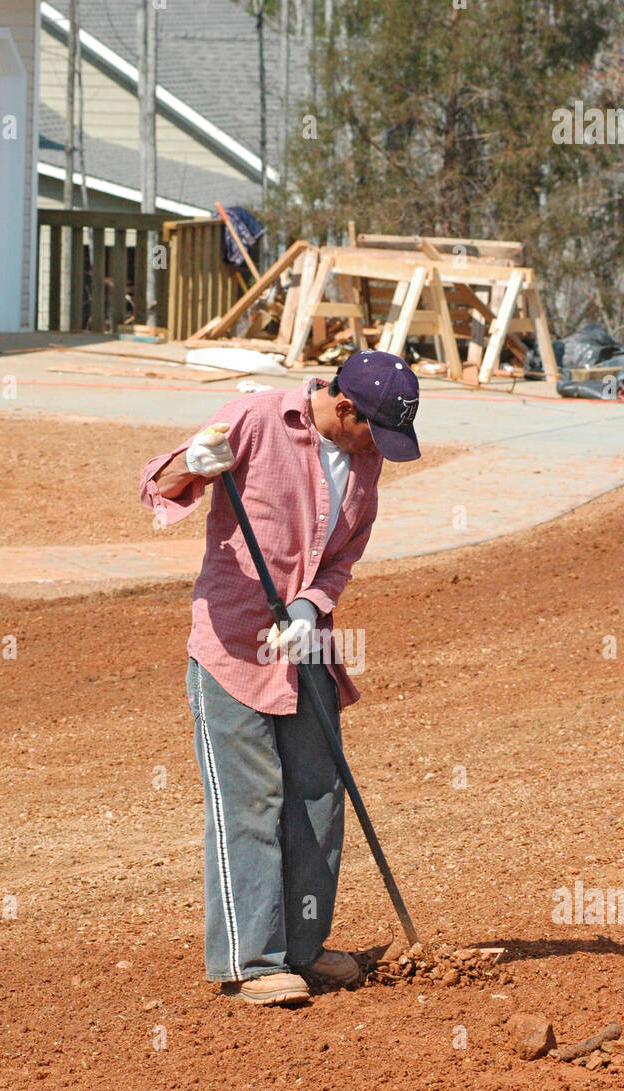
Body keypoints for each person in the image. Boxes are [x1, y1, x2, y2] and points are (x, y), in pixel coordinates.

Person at [139, 351, 421, 1005]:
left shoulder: (365, 459)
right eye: (374, 432)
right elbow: (163, 483)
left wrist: (308, 605)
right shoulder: (259, 417)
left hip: (305, 644)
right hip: (233, 647)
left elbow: (344, 557)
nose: (379, 449)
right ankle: (253, 962)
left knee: (319, 797)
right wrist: (194, 467)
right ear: (344, 407)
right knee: (253, 802)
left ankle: (303, 946)